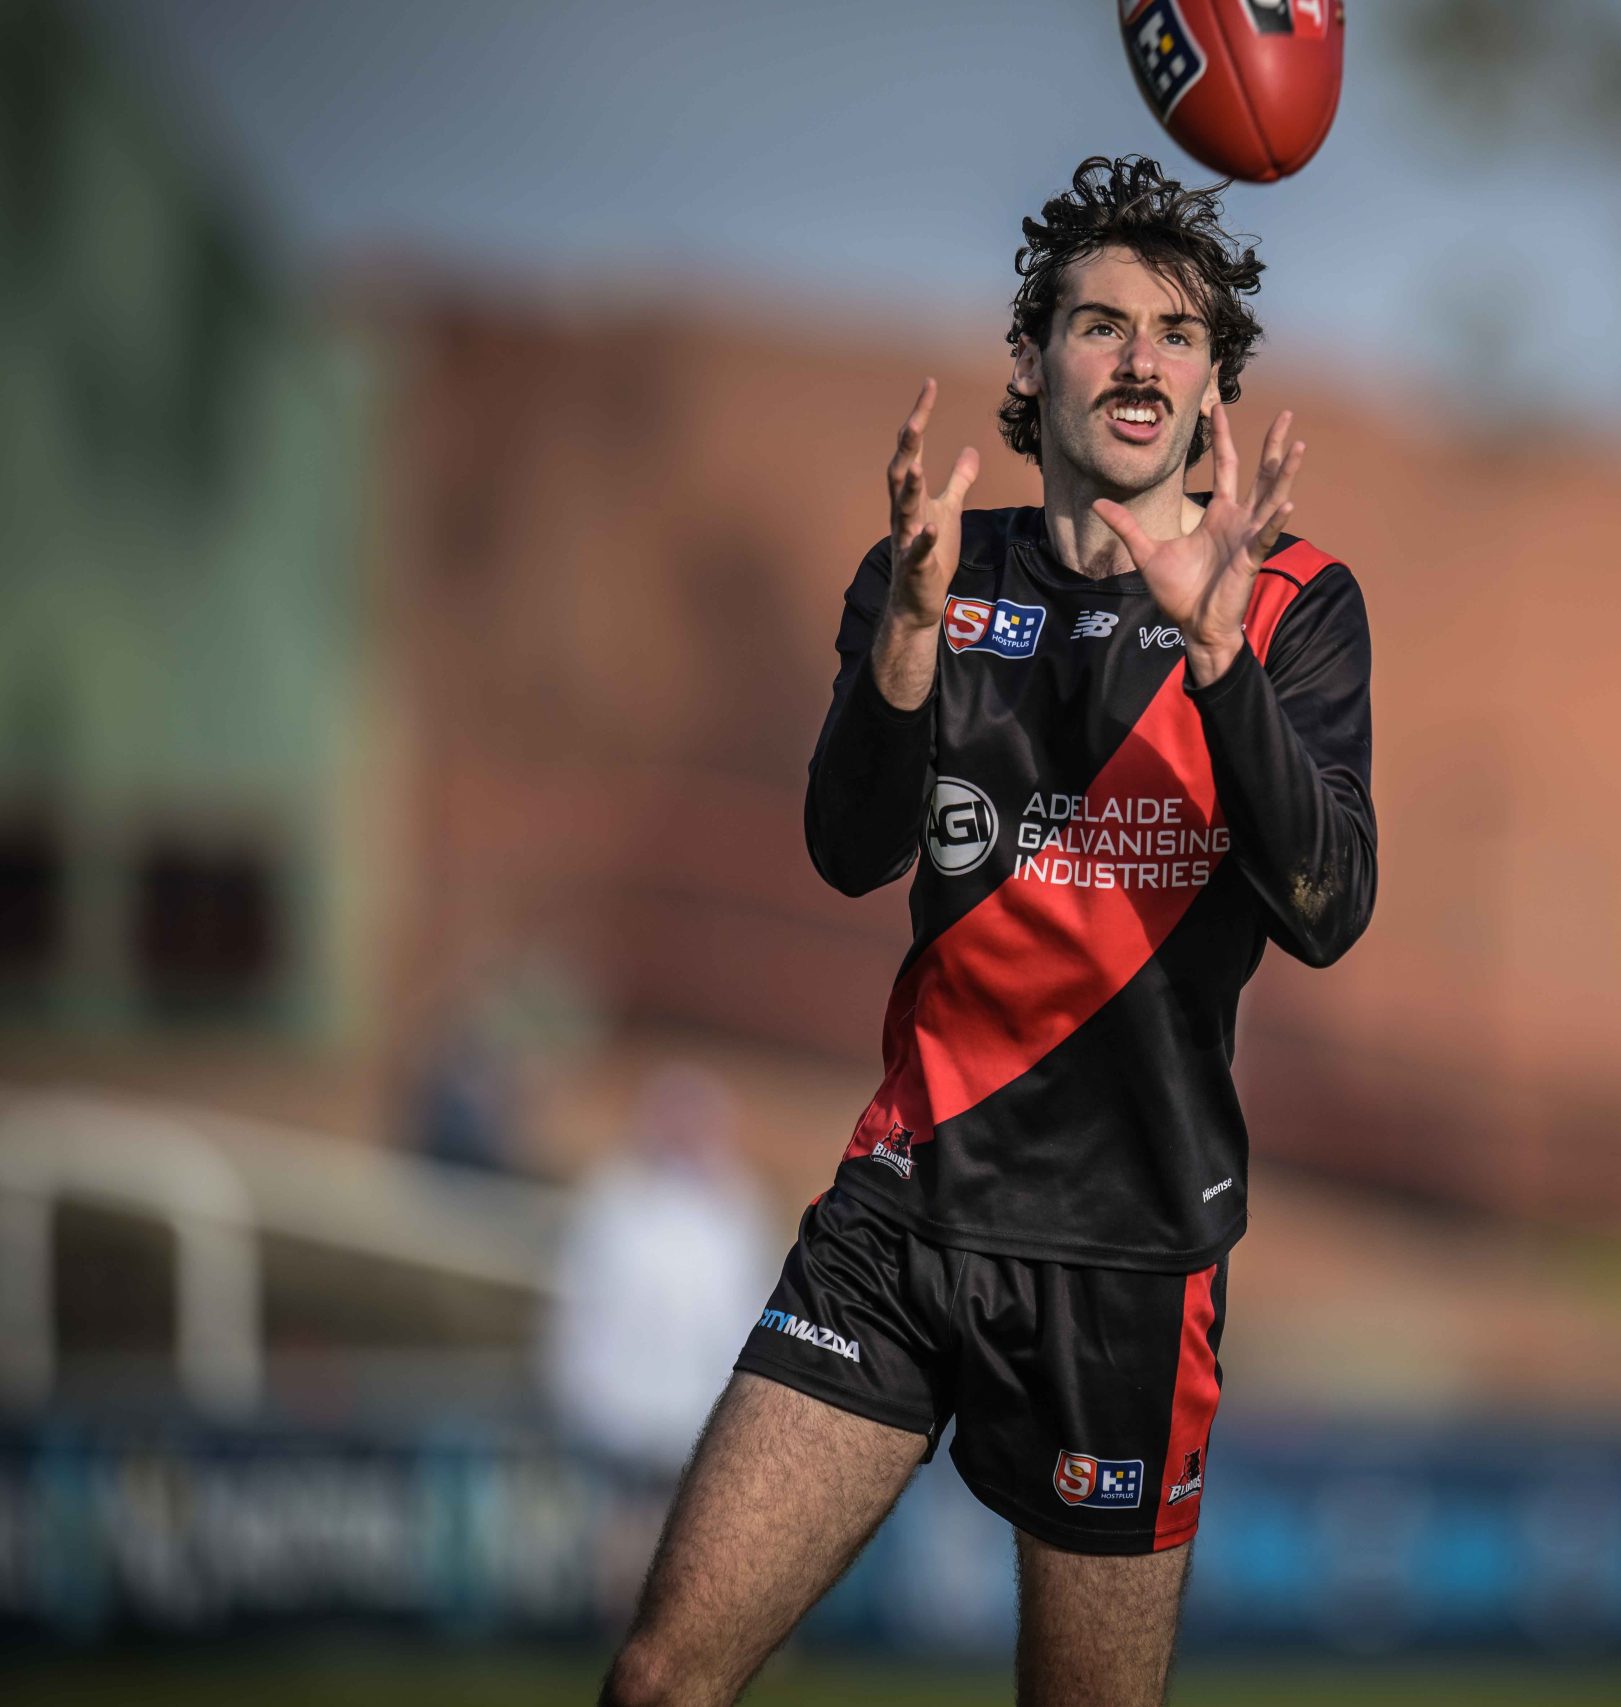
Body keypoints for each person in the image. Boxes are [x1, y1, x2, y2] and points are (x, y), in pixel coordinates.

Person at [601, 155, 1377, 1706]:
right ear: (1031, 363)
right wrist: (904, 632)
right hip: (906, 1209)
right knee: (660, 1676)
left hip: (1128, 1252)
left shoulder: (1292, 602)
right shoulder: (938, 573)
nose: (1141, 360)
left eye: (1176, 332)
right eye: (1101, 324)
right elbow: (847, 850)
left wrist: (1218, 659)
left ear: (1214, 382)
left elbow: (1328, 907)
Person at [544, 1063, 777, 1473]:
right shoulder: (613, 1194)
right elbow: (577, 1301)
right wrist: (579, 1389)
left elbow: (748, 1309)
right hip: (610, 1415)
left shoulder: (739, 1206)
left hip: (697, 1423)